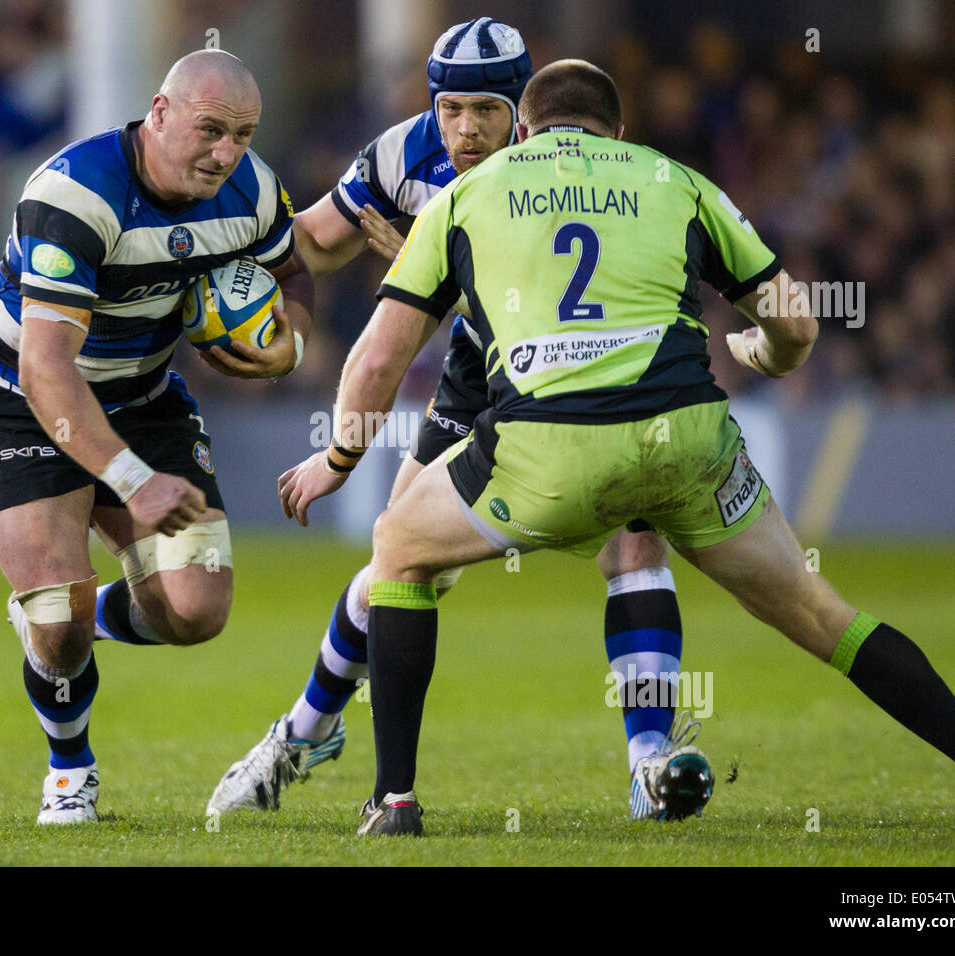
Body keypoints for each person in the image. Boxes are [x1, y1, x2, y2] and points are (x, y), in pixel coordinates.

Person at [277, 59, 955, 836]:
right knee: (819, 612)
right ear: (617, 133)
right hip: (689, 441)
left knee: (398, 547)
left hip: (548, 448)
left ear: (522, 133)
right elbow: (795, 323)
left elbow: (379, 360)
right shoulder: (676, 181)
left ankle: (393, 801)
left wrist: (337, 462)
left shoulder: (465, 196)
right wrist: (770, 360)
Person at [208, 18, 710, 824]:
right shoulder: (399, 155)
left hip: (582, 368)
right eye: (450, 108)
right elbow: (310, 242)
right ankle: (304, 731)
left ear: (525, 109)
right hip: (479, 372)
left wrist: (417, 252)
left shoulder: (562, 165)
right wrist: (213, 249)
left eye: (486, 108)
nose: (466, 128)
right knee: (400, 557)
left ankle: (647, 764)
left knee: (634, 540)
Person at [0, 50, 314, 824]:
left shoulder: (250, 190)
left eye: (242, 136)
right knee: (55, 620)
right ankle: (69, 768)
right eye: (210, 130)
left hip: (144, 396)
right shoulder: (74, 197)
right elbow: (47, 369)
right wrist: (132, 479)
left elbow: (295, 274)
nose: (226, 153)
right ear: (158, 113)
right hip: (20, 397)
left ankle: (85, 616)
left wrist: (293, 346)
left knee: (196, 612)